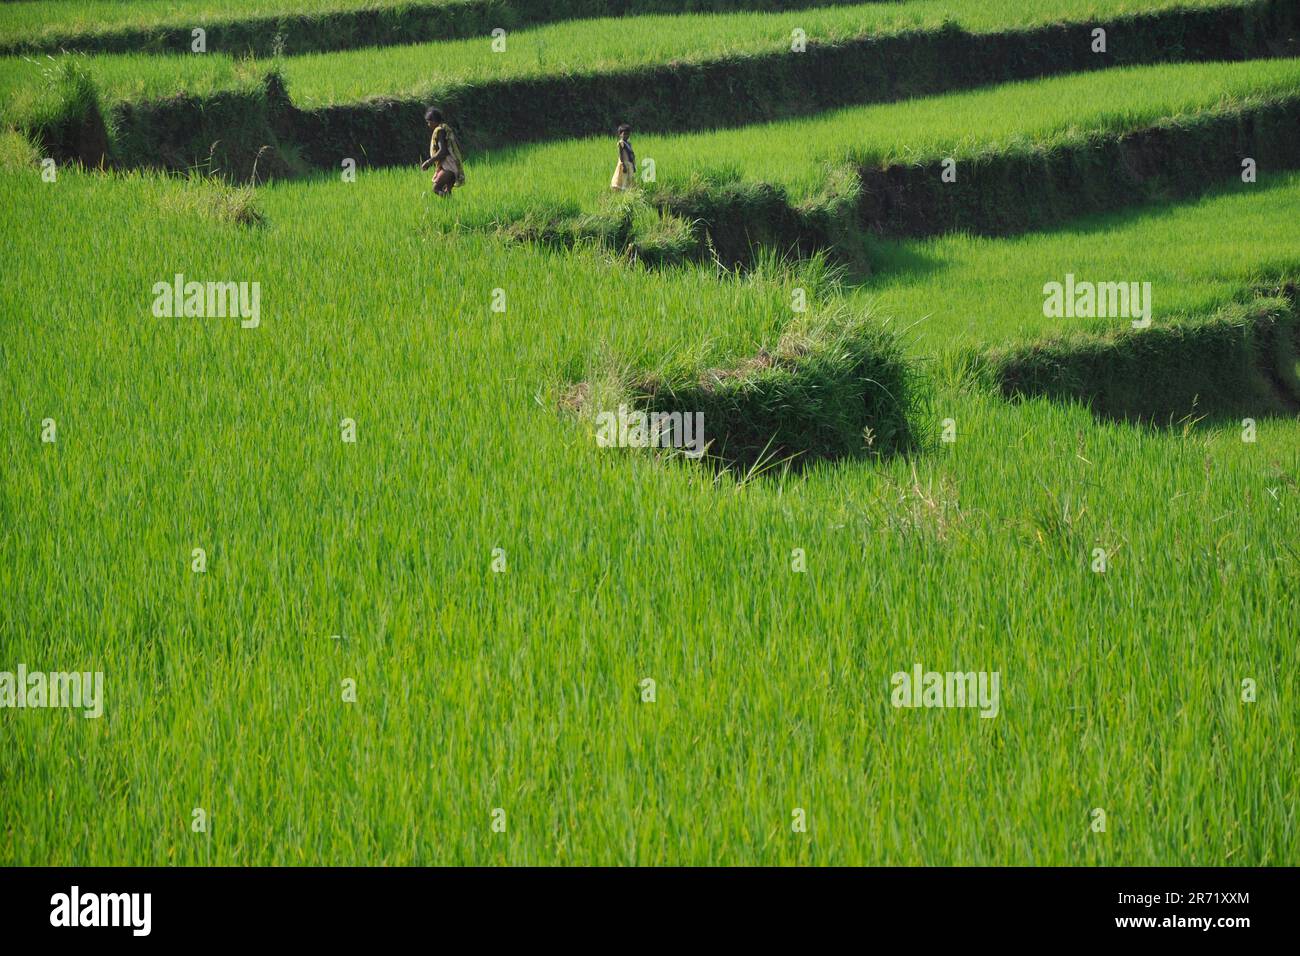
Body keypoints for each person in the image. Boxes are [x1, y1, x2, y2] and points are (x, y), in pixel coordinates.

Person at [421, 107, 465, 196]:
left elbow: (442, 151)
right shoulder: (445, 129)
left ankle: (451, 204)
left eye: (428, 122)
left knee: (436, 188)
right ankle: (452, 207)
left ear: (433, 121)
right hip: (452, 166)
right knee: (447, 192)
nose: (428, 125)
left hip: (448, 167)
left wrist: (428, 162)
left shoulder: (440, 131)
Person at [610, 123, 635, 191]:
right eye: (624, 134)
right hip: (623, 163)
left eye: (628, 134)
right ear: (620, 134)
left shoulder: (629, 143)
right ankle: (620, 191)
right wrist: (623, 165)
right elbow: (620, 154)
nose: (626, 136)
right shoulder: (621, 143)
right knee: (621, 178)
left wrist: (633, 165)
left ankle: (628, 191)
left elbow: (631, 154)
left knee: (629, 178)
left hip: (629, 163)